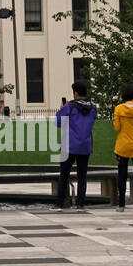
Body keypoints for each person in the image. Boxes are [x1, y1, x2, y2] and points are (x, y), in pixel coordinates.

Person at [54, 81, 97, 211]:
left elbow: (58, 122)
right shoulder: (93, 108)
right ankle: (80, 204)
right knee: (82, 176)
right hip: (85, 145)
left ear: (76, 93)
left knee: (64, 175)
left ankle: (60, 204)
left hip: (69, 145)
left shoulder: (70, 106)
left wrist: (62, 109)